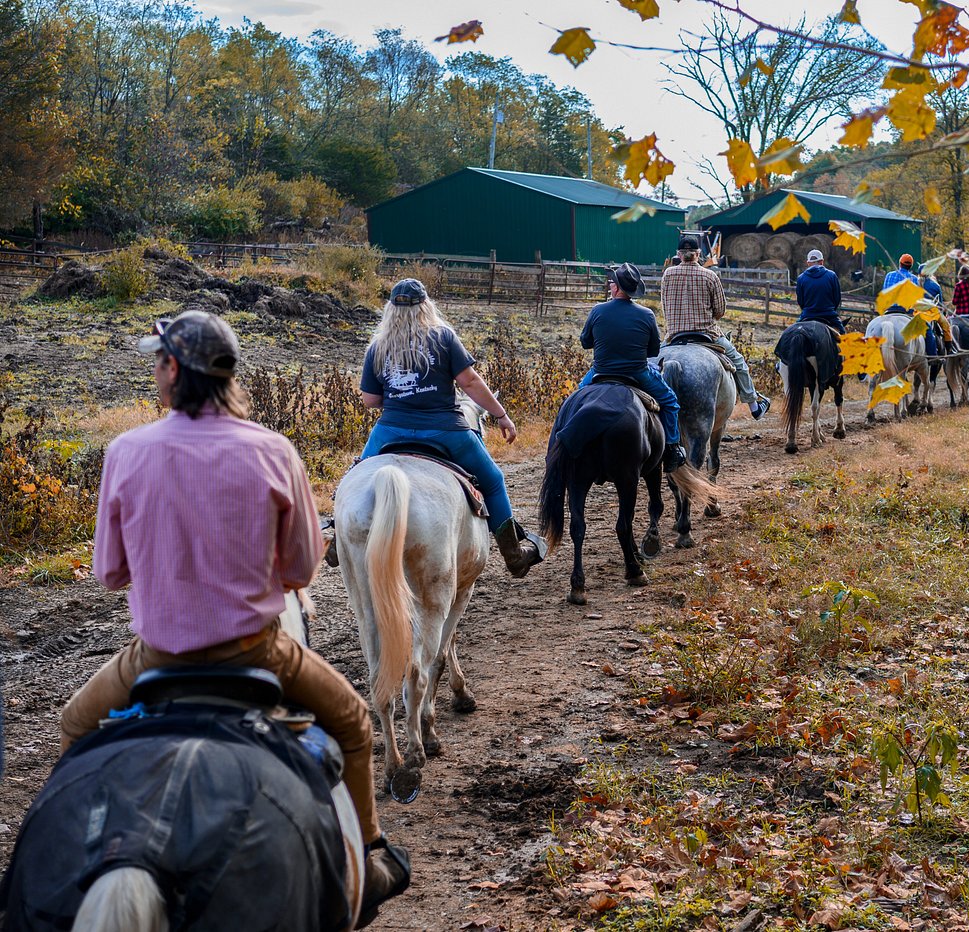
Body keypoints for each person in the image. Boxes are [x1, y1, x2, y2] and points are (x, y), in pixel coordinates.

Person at [59, 309, 411, 920]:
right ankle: (373, 858)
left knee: (72, 727)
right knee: (353, 722)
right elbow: (301, 570)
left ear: (171, 370)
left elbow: (110, 574)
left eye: (157, 362)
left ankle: (69, 852)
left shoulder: (126, 451)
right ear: (228, 376)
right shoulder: (274, 452)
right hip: (258, 651)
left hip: (155, 656)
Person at [359, 278, 544, 578]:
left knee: (354, 479)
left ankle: (336, 539)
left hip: (390, 431)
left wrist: (402, 398)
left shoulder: (378, 346)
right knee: (494, 480)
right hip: (446, 431)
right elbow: (469, 381)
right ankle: (514, 556)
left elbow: (370, 400)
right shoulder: (443, 337)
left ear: (390, 310)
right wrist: (501, 415)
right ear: (425, 306)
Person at [576, 262, 687, 471]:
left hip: (600, 371)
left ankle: (564, 441)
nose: (610, 286)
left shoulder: (598, 310)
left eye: (611, 283)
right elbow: (654, 351)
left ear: (616, 288)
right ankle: (672, 447)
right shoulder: (647, 314)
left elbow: (585, 342)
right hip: (637, 373)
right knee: (670, 402)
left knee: (576, 399)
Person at [661, 234, 771, 419]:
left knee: (652, 364)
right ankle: (754, 406)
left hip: (674, 335)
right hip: (707, 335)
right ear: (698, 254)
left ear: (679, 255)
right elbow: (720, 310)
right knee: (739, 363)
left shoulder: (668, 275)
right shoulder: (709, 275)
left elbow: (665, 306)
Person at [795, 249, 844, 332]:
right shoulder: (832, 275)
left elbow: (800, 301)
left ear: (808, 263)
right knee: (843, 338)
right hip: (829, 315)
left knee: (793, 333)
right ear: (822, 262)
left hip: (807, 314)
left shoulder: (801, 278)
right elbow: (837, 298)